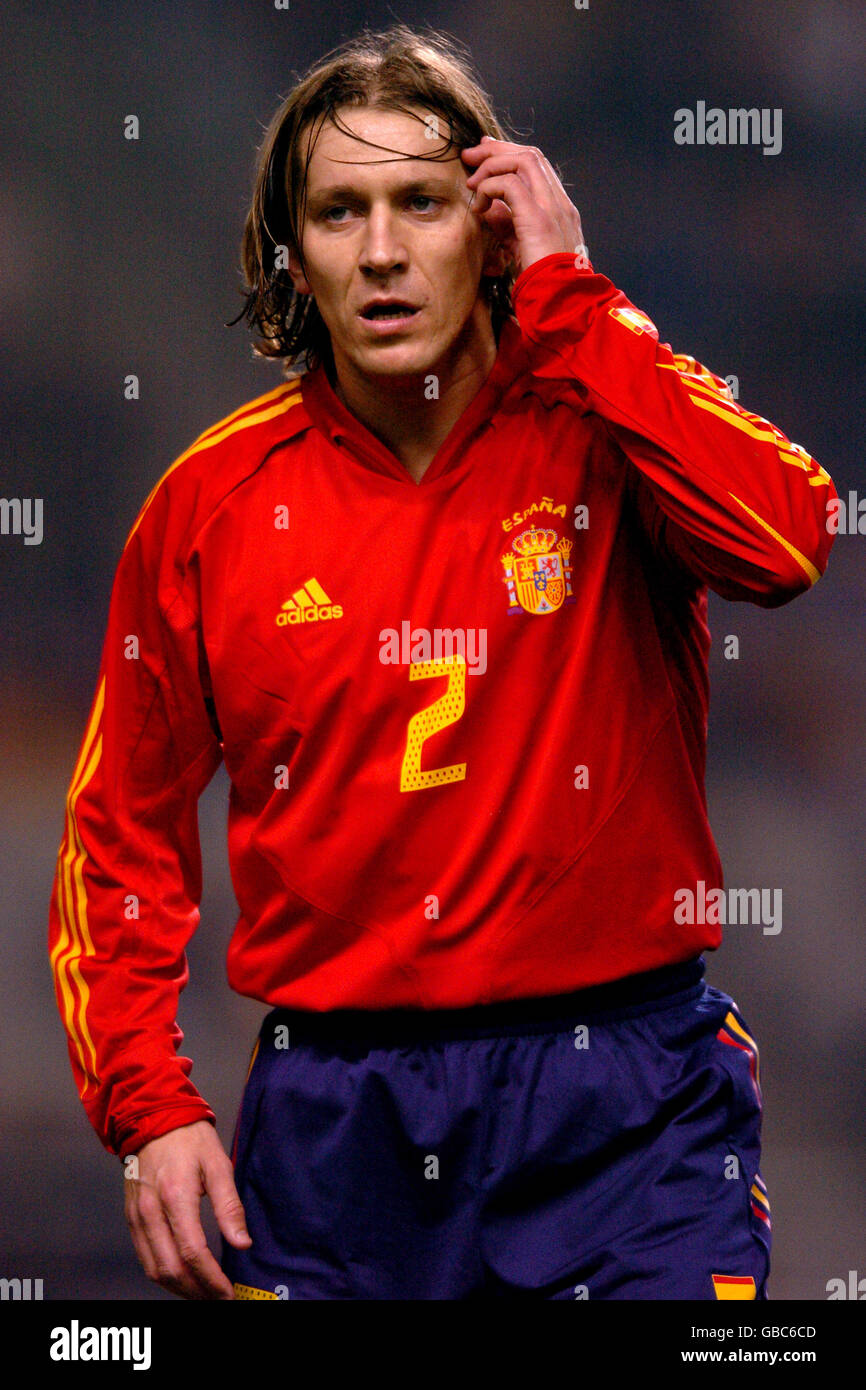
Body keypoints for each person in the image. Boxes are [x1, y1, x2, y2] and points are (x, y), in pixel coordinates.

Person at [49, 24, 835, 1300]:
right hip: (337, 1129)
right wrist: (149, 1108)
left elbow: (785, 542)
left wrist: (575, 294)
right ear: (288, 257)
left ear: (490, 222)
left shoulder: (607, 419)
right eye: (337, 212)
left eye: (419, 202)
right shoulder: (206, 509)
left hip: (624, 1112)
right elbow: (119, 834)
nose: (379, 252)